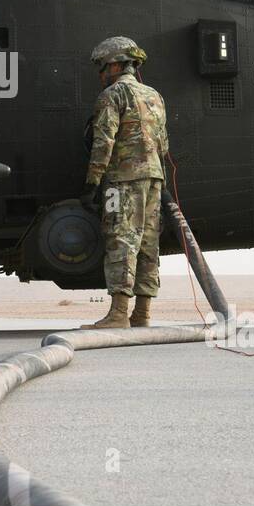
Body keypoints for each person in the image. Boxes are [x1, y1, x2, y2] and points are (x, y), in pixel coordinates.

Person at [80, 36, 169, 329]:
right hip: (154, 179)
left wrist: (92, 182)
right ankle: (141, 313)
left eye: (103, 67)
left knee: (121, 238)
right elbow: (163, 144)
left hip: (123, 180)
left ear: (116, 65)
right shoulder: (154, 95)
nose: (101, 74)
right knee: (148, 243)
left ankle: (118, 313)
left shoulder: (112, 96)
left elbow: (103, 140)